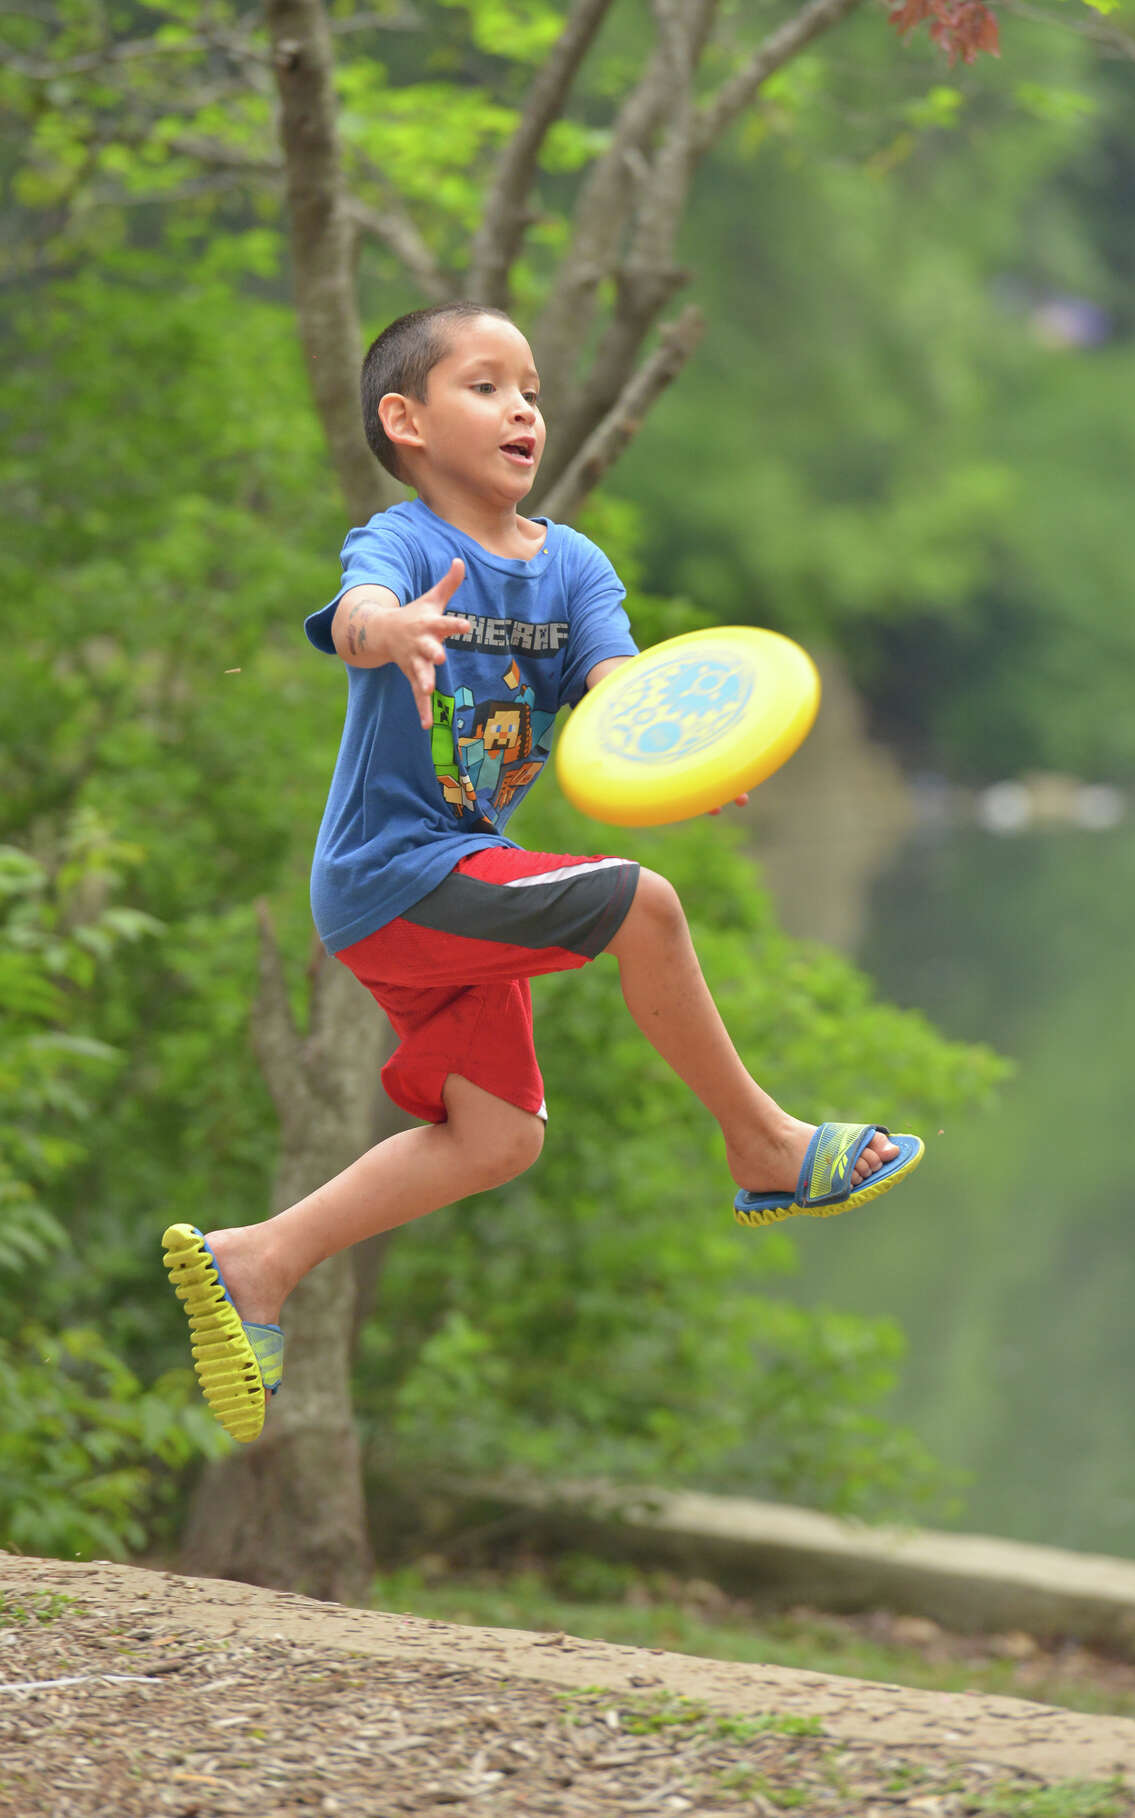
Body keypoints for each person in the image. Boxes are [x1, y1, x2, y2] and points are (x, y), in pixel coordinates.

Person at [162, 301, 924, 1444]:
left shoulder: (571, 568)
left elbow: (621, 695)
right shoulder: (411, 547)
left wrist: (691, 749)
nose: (523, 407)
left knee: (500, 1136)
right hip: (394, 873)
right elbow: (361, 611)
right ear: (406, 420)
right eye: (486, 385)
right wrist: (395, 632)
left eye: (530, 389)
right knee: (641, 901)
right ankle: (765, 1144)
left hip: (461, 882)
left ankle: (258, 1260)